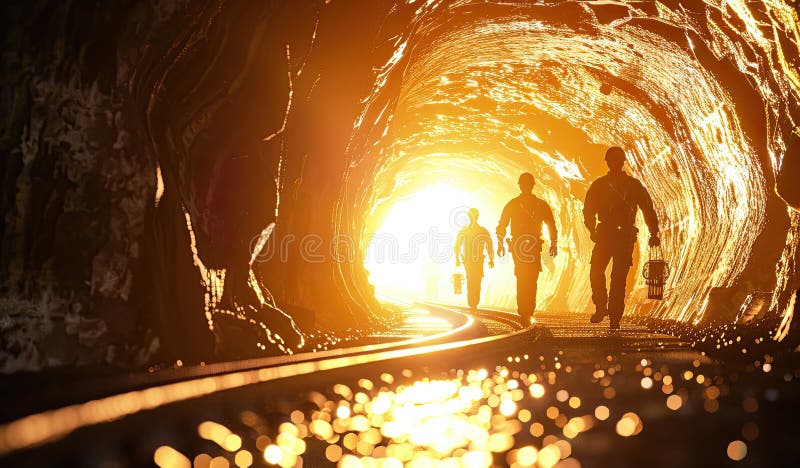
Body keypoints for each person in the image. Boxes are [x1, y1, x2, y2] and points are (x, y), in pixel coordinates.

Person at [583, 146, 661, 330]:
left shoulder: (601, 185)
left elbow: (588, 211)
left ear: (608, 162)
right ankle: (610, 313)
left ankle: (607, 311)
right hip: (619, 236)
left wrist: (592, 229)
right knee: (615, 277)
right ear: (620, 161)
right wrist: (653, 233)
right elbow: (647, 209)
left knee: (602, 273)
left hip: (610, 235)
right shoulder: (632, 185)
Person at [496, 173, 558, 324]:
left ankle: (524, 309)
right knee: (531, 276)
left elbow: (502, 225)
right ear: (532, 185)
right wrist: (553, 242)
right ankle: (528, 308)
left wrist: (500, 243)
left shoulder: (513, 204)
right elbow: (551, 224)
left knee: (522, 275)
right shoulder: (541, 205)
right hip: (533, 245)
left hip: (519, 245)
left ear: (520, 185)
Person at [455, 208, 494, 309]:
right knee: (476, 279)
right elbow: (489, 245)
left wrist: (457, 259)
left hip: (470, 260)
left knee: (472, 279)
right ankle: (473, 302)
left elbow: (457, 246)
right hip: (476, 261)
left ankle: (473, 302)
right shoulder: (482, 230)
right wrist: (490, 259)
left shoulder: (464, 231)